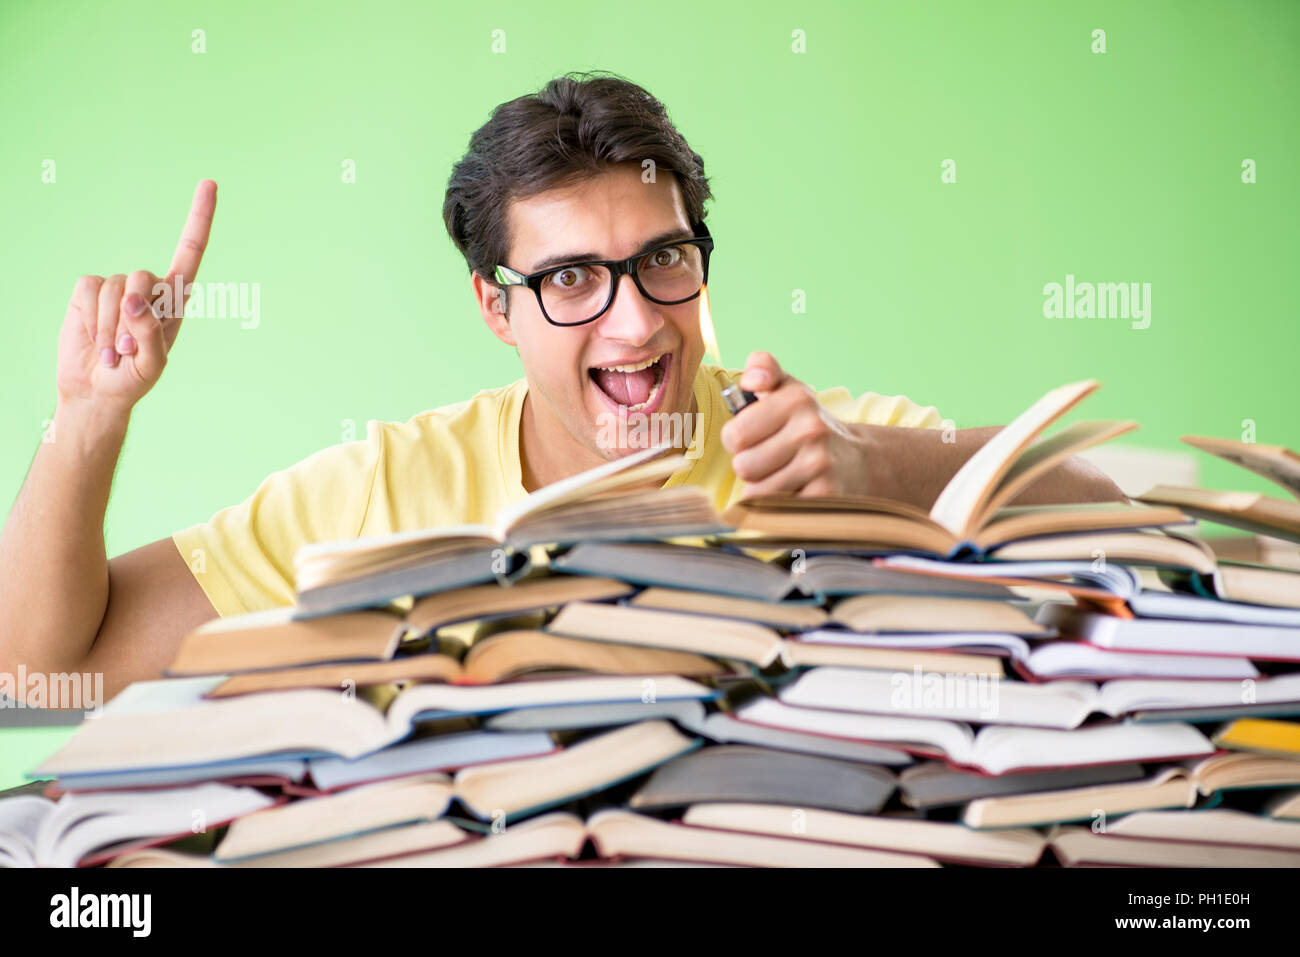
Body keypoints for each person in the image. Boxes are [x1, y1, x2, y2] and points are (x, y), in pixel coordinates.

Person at [0, 72, 1124, 701]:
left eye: (663, 261)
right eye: (574, 278)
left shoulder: (816, 446)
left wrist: (885, 472)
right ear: (496, 307)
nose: (636, 323)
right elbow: (37, 673)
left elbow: (1113, 512)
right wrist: (88, 420)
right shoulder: (377, 491)